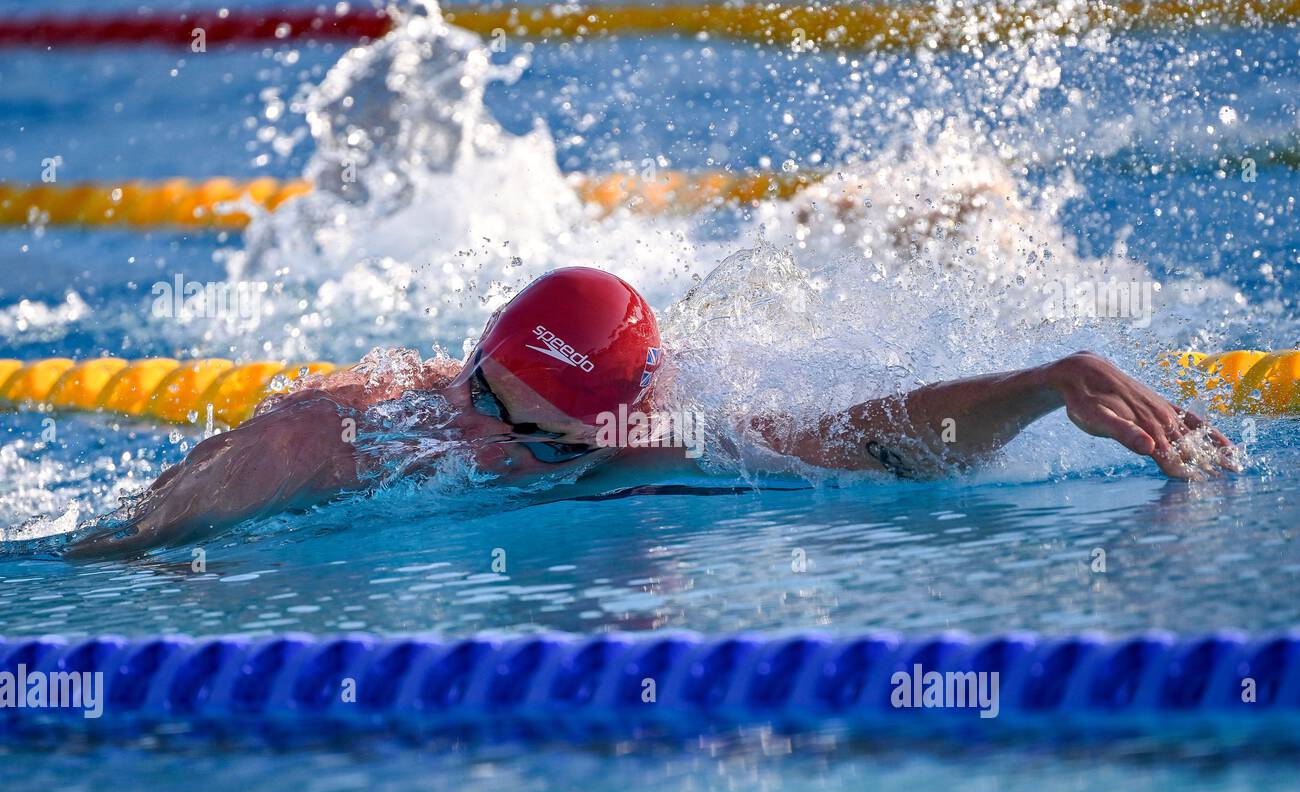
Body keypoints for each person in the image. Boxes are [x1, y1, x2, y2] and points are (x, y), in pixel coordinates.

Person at [65, 266, 1239, 557]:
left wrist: (1045, 382)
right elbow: (115, 552)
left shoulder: (652, 434)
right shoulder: (320, 442)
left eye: (530, 435)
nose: (484, 439)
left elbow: (878, 441)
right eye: (483, 398)